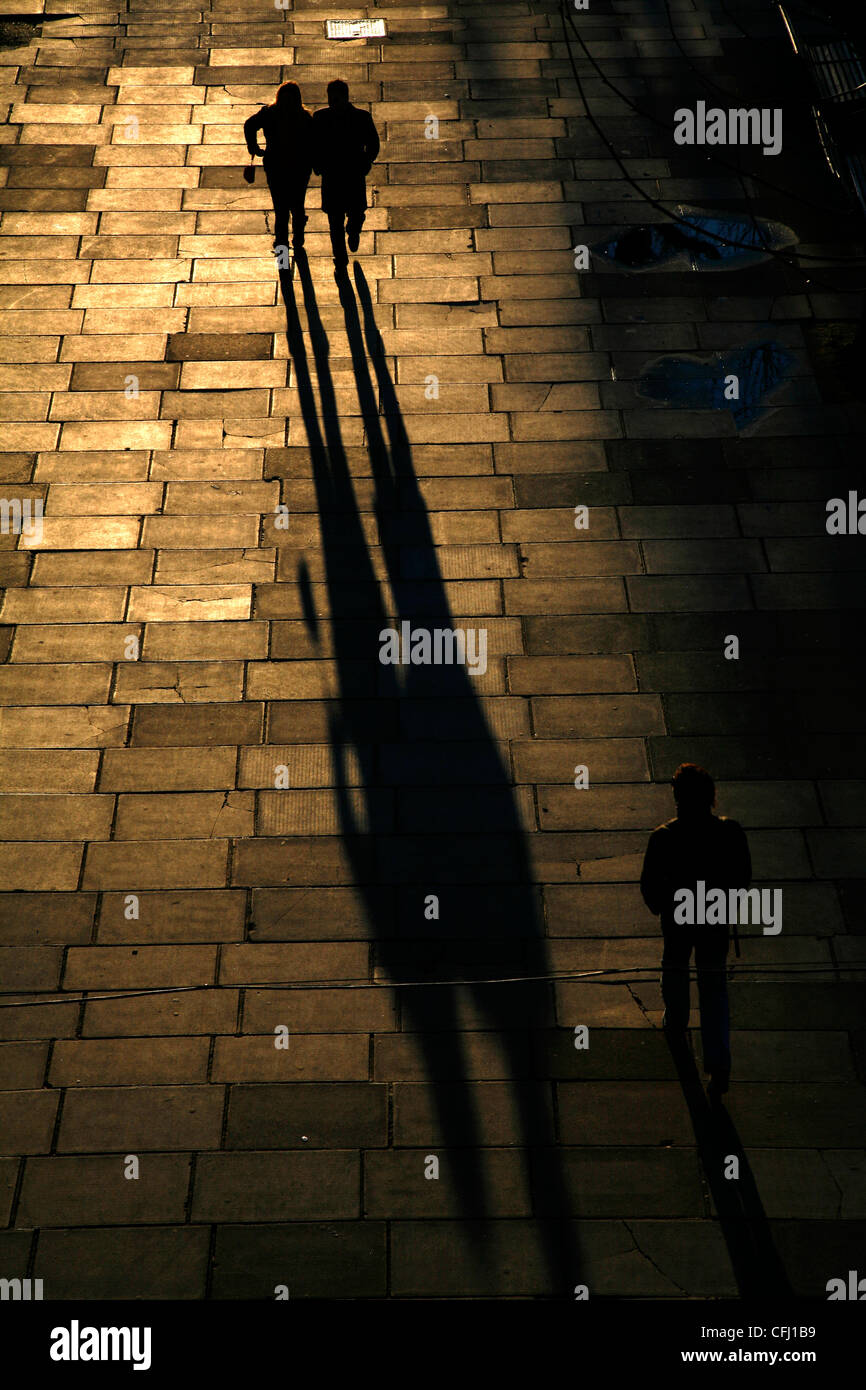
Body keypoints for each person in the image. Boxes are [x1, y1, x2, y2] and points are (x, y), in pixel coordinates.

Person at [639, 763, 751, 1099]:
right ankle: (719, 1064)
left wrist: (663, 904)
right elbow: (742, 877)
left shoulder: (664, 837)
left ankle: (676, 1022)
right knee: (713, 987)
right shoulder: (730, 832)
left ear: (677, 796)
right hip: (713, 917)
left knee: (674, 970)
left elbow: (650, 885)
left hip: (678, 918)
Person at [312, 79, 380, 275]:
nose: (333, 101)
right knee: (334, 222)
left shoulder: (361, 117)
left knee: (355, 212)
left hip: (352, 174)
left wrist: (365, 163)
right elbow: (312, 145)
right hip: (334, 176)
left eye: (336, 97)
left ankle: (354, 228)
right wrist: (318, 165)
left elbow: (373, 144)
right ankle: (340, 260)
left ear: (345, 97)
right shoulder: (321, 117)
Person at [244, 81, 313, 252]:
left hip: (276, 167)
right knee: (297, 204)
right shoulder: (304, 117)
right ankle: (298, 236)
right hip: (299, 167)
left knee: (281, 209)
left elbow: (250, 125)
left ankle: (282, 251)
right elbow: (313, 143)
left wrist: (254, 147)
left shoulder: (270, 113)